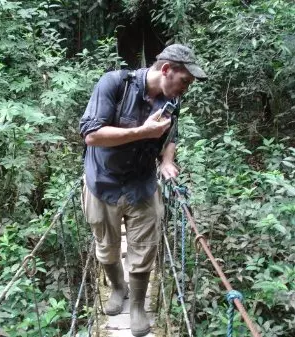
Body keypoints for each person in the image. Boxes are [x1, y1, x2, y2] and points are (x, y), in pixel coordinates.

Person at [79, 44, 207, 337]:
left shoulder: (172, 99)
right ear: (166, 70)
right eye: (184, 80)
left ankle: (137, 305)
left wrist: (167, 159)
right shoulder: (113, 84)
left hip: (142, 184)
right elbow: (92, 135)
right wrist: (141, 132)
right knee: (106, 247)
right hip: (102, 181)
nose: (186, 88)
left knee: (145, 247)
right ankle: (117, 289)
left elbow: (170, 132)